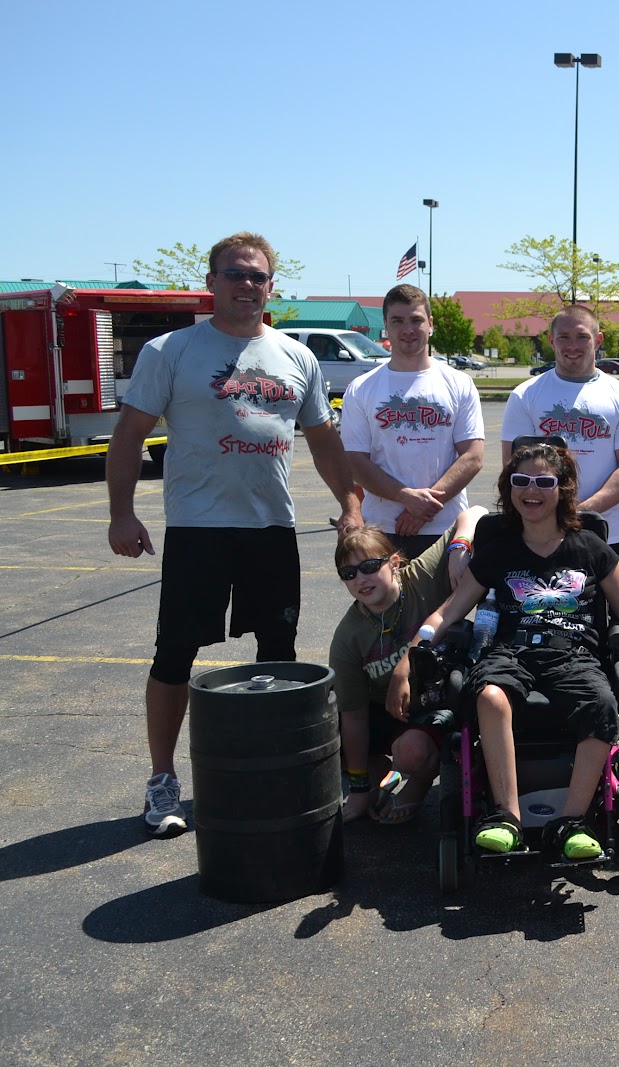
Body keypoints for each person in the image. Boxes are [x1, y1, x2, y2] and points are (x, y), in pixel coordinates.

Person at [106, 231, 361, 838]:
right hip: (198, 530)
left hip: (271, 530)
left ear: (271, 286)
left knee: (277, 657)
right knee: (175, 657)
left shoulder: (295, 356)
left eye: (259, 277)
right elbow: (129, 434)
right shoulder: (171, 351)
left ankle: (269, 776)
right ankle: (163, 780)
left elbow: (324, 442)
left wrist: (350, 504)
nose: (248, 285)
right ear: (212, 282)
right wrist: (122, 512)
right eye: (236, 274)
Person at [399, 442, 619, 859]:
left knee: (604, 705)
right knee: (489, 695)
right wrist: (409, 658)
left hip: (574, 654)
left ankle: (570, 822)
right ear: (509, 488)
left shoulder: (590, 548)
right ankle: (506, 818)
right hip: (510, 652)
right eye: (521, 480)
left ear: (562, 489)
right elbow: (447, 613)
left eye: (544, 481)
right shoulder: (499, 551)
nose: (532, 490)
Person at [329, 507, 486, 823]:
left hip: (432, 705)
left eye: (370, 567)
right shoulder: (348, 637)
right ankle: (378, 778)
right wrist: (359, 789)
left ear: (394, 564)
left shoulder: (421, 579)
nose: (361, 579)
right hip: (386, 712)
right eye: (349, 574)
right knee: (329, 737)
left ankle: (419, 781)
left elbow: (476, 512)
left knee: (412, 752)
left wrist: (460, 549)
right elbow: (354, 715)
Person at [501, 304, 619, 602]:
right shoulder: (526, 395)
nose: (572, 346)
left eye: (581, 337)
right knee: (541, 618)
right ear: (551, 340)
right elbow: (514, 467)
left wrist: (585, 511)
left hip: (608, 534)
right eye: (563, 337)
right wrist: (553, 516)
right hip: (539, 537)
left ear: (598, 339)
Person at [341, 283, 484, 560]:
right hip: (381, 529)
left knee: (445, 605)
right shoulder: (361, 388)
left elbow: (473, 456)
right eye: (398, 321)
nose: (408, 329)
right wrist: (407, 497)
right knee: (385, 604)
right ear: (386, 326)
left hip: (445, 527)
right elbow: (356, 462)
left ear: (430, 324)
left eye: (416, 320)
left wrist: (425, 508)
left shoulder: (459, 383)